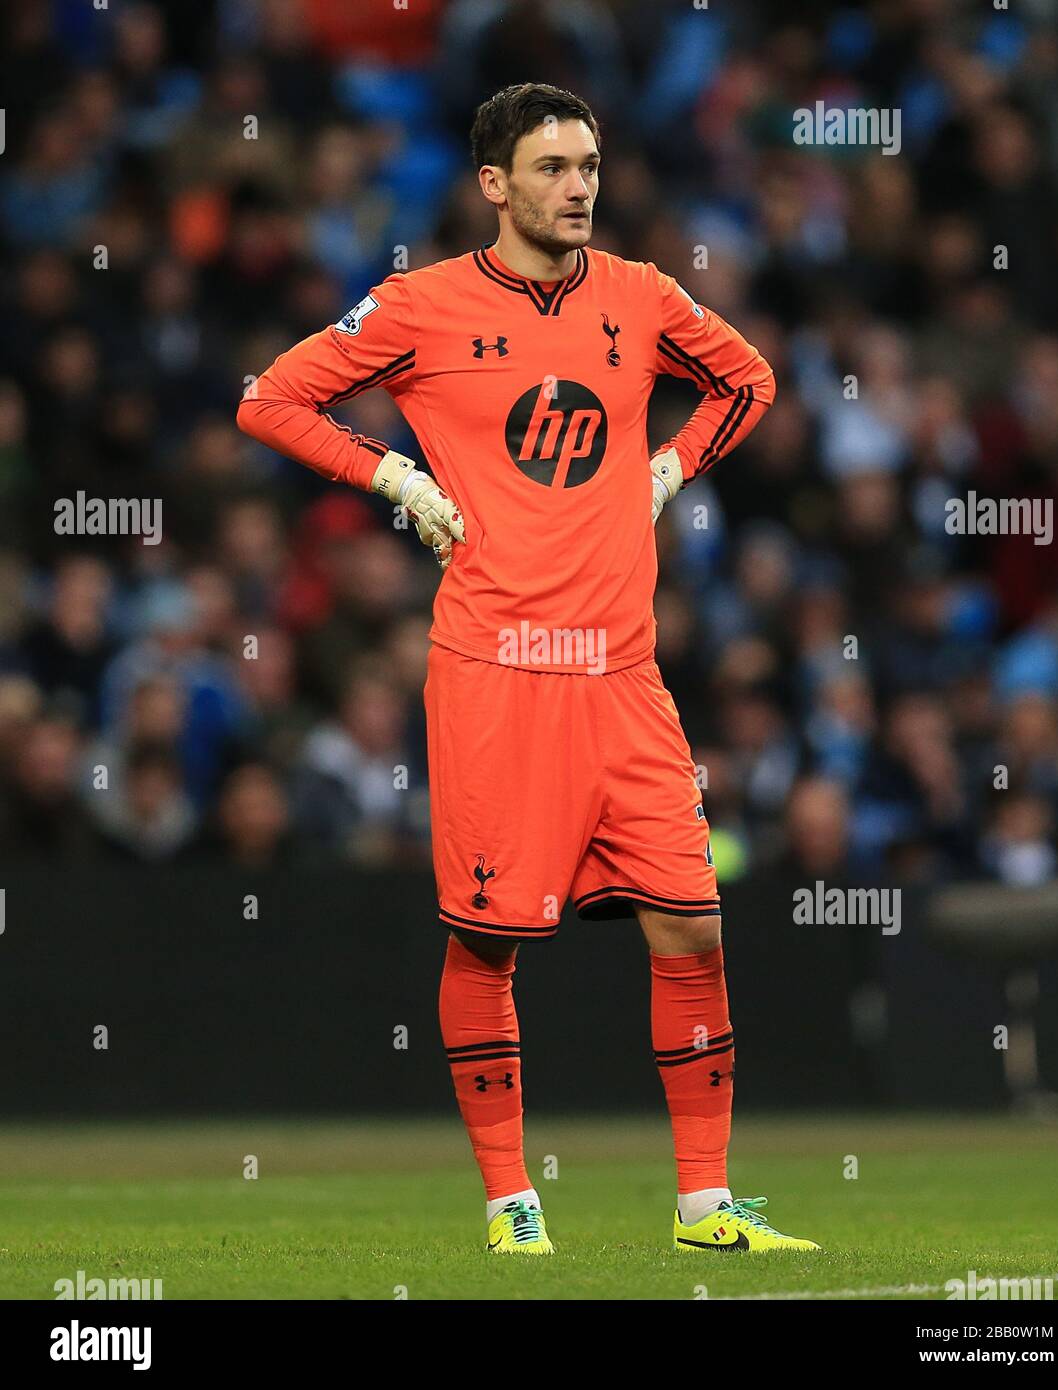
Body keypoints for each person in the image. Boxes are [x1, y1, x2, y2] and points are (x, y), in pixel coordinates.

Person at [237, 82, 819, 1257]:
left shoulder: (642, 297)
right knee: (488, 941)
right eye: (552, 167)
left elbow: (749, 379)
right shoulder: (421, 306)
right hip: (495, 673)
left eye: (590, 164)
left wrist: (666, 469)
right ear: (494, 183)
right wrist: (395, 481)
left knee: (695, 927)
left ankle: (705, 1206)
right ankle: (512, 1205)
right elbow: (271, 399)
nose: (580, 186)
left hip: (623, 676)